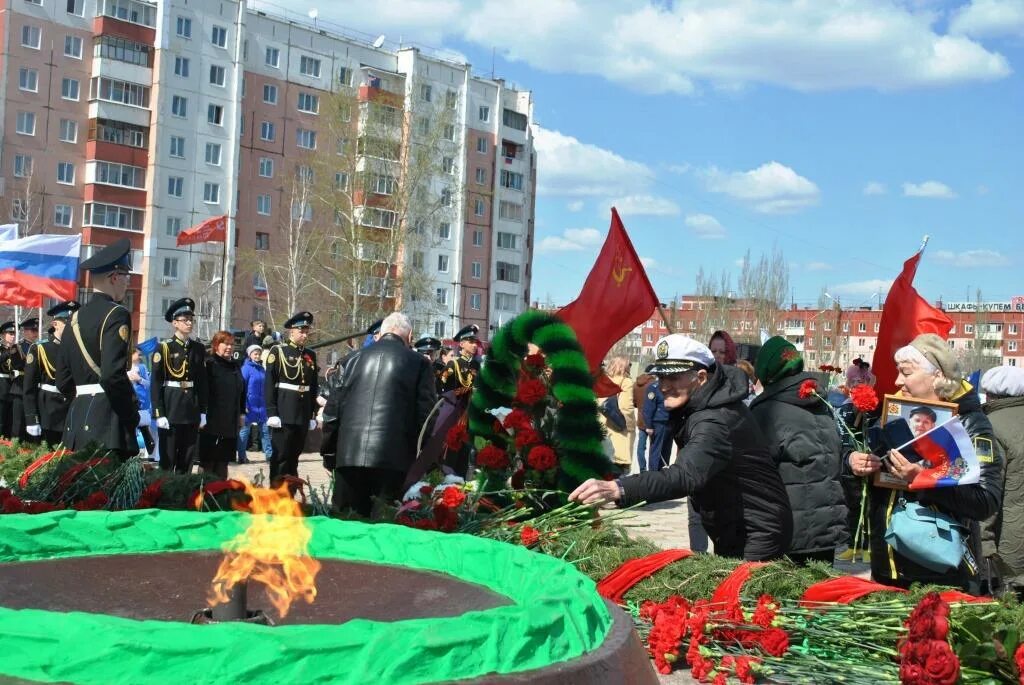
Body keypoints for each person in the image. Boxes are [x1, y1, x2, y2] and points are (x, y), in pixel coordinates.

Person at [571, 335, 793, 561]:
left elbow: (685, 475)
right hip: (737, 523)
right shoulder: (704, 404)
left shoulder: (715, 420)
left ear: (701, 377)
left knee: (744, 595)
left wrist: (619, 488)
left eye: (674, 378)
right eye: (661, 377)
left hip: (757, 531)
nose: (664, 386)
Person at [846, 333, 1003, 591]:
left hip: (941, 576)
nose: (898, 381)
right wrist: (853, 463)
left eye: (906, 373)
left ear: (937, 376)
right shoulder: (893, 414)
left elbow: (986, 501)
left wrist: (924, 479)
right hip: (887, 568)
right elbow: (862, 485)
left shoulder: (969, 423)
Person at [320, 312, 436, 516]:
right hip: (394, 461)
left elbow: (332, 413)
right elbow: (426, 418)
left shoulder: (350, 360)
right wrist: (425, 462)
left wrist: (329, 455)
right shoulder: (419, 363)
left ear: (380, 334)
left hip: (349, 458)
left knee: (343, 529)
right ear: (409, 338)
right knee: (383, 532)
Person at [750, 336, 846, 565]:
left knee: (782, 600)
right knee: (818, 598)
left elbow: (755, 475)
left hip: (787, 533)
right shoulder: (822, 404)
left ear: (765, 372)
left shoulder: (766, 410)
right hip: (825, 529)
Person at [54, 238, 140, 457]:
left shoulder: (74, 318)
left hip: (77, 420)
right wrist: (131, 413)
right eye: (125, 277)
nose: (127, 283)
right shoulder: (116, 314)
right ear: (114, 277)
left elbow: (62, 381)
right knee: (108, 491)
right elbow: (112, 375)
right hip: (107, 422)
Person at [980, 366, 1024, 596]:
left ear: (989, 394)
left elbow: (988, 489)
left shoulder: (991, 426)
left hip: (1009, 549)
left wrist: (984, 545)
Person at [151, 298, 207, 474]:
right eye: (185, 320)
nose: (189, 323)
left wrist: (203, 410)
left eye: (191, 319)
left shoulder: (198, 348)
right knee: (167, 461)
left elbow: (201, 382)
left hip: (191, 408)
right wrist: (159, 413)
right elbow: (156, 383)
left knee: (187, 460)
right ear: (175, 323)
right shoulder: (164, 348)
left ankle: (183, 497)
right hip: (171, 406)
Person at [264, 311, 319, 481]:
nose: (304, 335)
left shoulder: (311, 355)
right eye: (301, 331)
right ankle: (275, 496)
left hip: (302, 414)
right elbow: (269, 384)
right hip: (284, 412)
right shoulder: (278, 351)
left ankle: (289, 497)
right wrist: (272, 412)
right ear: (291, 331)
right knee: (280, 456)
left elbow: (312, 387)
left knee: (294, 458)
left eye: (306, 331)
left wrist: (312, 414)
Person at [23, 302, 79, 447]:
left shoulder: (77, 349)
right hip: (48, 412)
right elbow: (29, 388)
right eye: (67, 321)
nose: (72, 325)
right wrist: (31, 419)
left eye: (74, 321)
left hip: (72, 411)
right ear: (55, 324)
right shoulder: (40, 348)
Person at [199, 331, 245, 479]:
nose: (229, 347)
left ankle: (220, 495)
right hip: (212, 421)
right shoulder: (209, 364)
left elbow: (241, 392)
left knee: (223, 462)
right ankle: (203, 494)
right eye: (225, 343)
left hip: (230, 421)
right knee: (209, 461)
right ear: (216, 345)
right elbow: (202, 392)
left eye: (232, 344)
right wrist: (202, 413)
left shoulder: (235, 366)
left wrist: (242, 413)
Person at [438, 324, 480, 476]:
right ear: (461, 344)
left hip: (471, 419)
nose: (475, 345)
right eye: (471, 342)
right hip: (456, 418)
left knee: (466, 457)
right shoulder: (453, 364)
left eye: (476, 342)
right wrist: (469, 391)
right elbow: (443, 391)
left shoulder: (477, 365)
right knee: (451, 457)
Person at [601, 356, 636, 472]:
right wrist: (630, 427)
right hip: (618, 432)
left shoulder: (602, 380)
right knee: (618, 476)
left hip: (601, 430)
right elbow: (626, 408)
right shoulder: (625, 381)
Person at [238, 344, 271, 464]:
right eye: (255, 354)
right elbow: (241, 387)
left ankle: (269, 455)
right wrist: (244, 405)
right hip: (249, 404)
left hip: (261, 405)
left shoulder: (262, 369)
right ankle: (242, 456)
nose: (257, 356)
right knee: (244, 431)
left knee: (265, 431)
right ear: (250, 355)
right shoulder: (245, 368)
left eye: (259, 354)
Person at [128, 346, 156, 459]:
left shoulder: (142, 367)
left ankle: (149, 450)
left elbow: (149, 384)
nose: (139, 356)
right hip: (129, 402)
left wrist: (139, 379)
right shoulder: (125, 367)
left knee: (143, 426)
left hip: (141, 402)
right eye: (137, 354)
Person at [640, 379, 671, 472]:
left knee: (666, 450)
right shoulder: (654, 387)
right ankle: (653, 473)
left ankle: (663, 473)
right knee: (656, 450)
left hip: (669, 422)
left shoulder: (670, 385)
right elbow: (648, 408)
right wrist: (649, 426)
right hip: (658, 423)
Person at [633, 372, 656, 469]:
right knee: (654, 446)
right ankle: (652, 469)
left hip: (641, 419)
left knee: (641, 446)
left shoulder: (635, 384)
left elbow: (634, 402)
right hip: (653, 419)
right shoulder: (654, 384)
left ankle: (642, 469)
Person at [0, 321, 17, 438]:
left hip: (13, 387)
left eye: (14, 333)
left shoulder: (17, 350)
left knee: (11, 422)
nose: (13, 336)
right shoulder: (1, 349)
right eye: (10, 333)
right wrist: (7, 353)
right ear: (2, 335)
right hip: (1, 387)